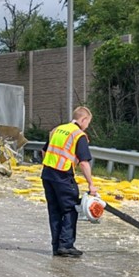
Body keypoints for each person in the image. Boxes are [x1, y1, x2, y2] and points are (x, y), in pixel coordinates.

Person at [41, 106, 98, 257]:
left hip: (47, 174)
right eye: (88, 123)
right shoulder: (79, 135)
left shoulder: (57, 130)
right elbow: (84, 163)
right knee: (70, 209)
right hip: (63, 176)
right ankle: (66, 245)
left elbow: (44, 151)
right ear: (83, 119)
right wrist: (91, 184)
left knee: (54, 211)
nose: (87, 126)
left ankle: (56, 246)